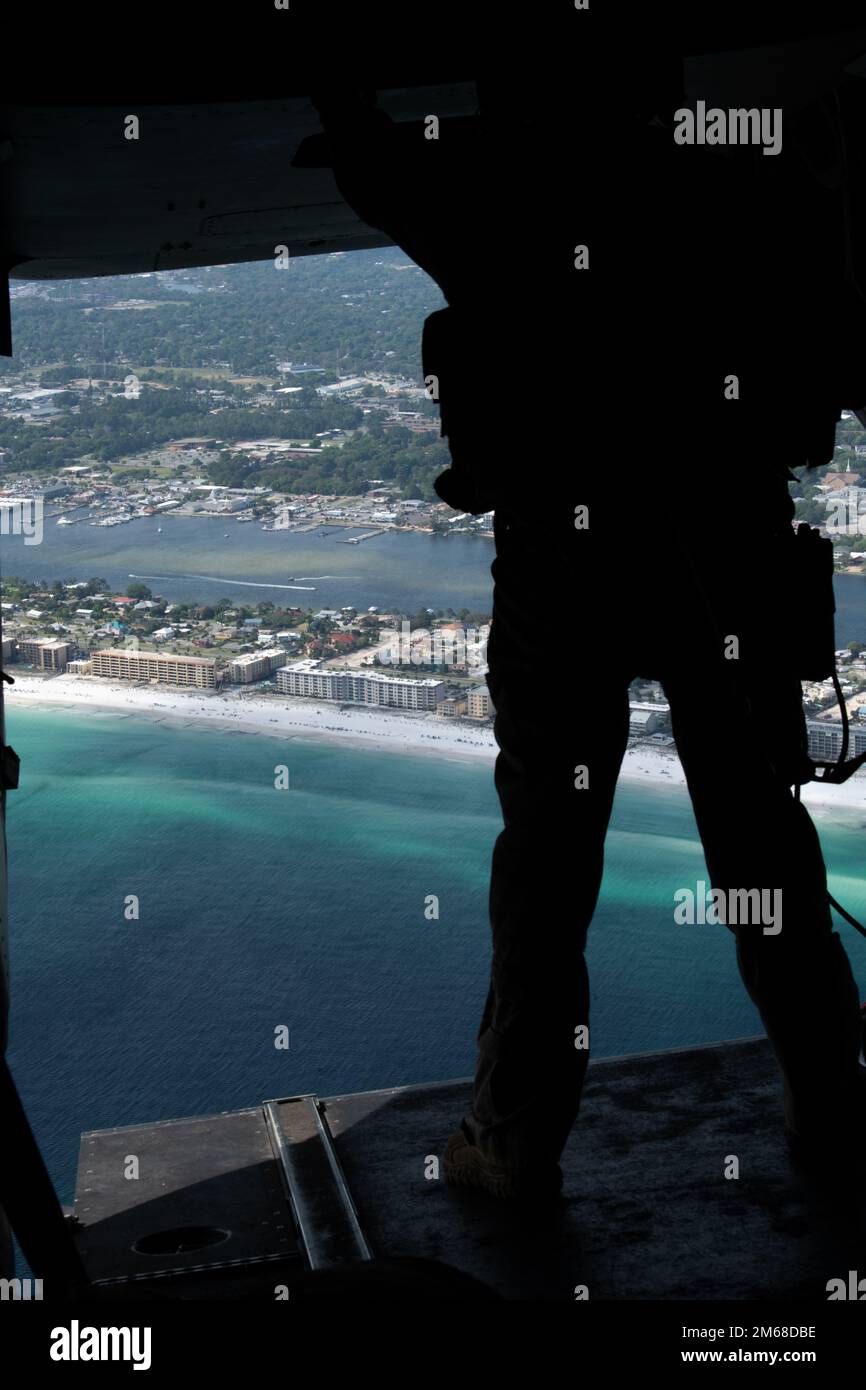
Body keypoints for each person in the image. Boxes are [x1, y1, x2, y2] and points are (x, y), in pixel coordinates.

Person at [313, 54, 866, 1201]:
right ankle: (832, 1103)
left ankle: (513, 1141)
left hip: (568, 564)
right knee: (759, 846)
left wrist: (344, 107)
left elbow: (385, 176)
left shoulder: (502, 191)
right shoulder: (748, 176)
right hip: (728, 553)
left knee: (549, 867)